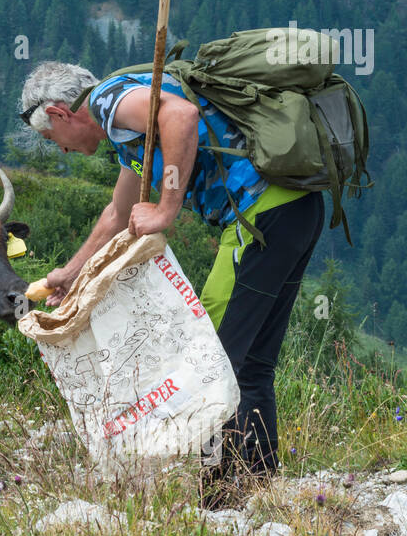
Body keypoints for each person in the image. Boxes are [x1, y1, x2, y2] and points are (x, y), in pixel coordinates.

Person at [18, 60, 325, 506]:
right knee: (251, 360)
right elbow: (117, 215)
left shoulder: (108, 100)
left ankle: (222, 496)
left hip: (257, 216)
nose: (61, 150)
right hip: (295, 208)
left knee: (213, 356)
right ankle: (256, 488)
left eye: (52, 138)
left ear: (62, 112)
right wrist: (72, 273)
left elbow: (181, 115)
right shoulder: (128, 134)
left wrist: (166, 209)